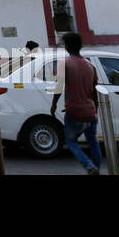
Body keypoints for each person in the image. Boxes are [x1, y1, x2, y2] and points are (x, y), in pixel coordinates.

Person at [49, 32, 102, 175]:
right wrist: (95, 109)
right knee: (93, 141)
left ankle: (90, 167)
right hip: (90, 112)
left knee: (71, 141)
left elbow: (59, 87)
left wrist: (54, 105)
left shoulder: (64, 63)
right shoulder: (90, 66)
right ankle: (96, 168)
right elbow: (94, 90)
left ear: (66, 47)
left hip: (74, 111)